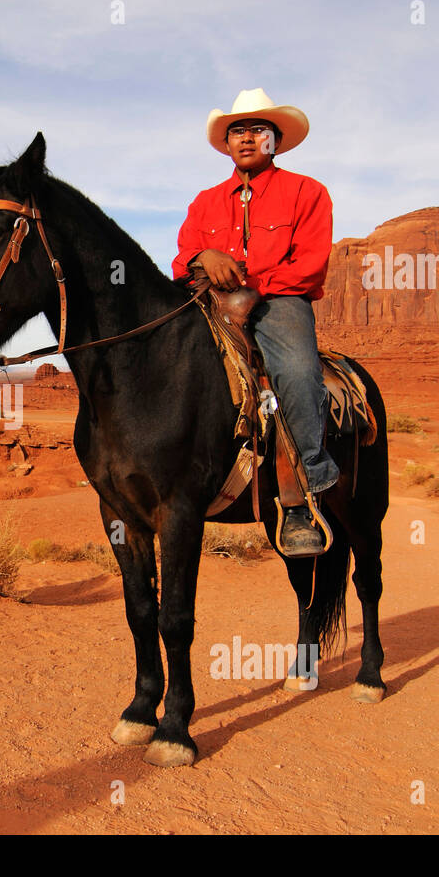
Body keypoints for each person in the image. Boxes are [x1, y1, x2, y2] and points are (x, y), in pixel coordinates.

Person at [171, 88, 339, 556]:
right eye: (236, 131)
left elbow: (309, 264)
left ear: (275, 141)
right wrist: (203, 256)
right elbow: (180, 260)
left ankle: (303, 492)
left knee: (298, 373)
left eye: (256, 130)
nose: (246, 138)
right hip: (209, 301)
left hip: (278, 302)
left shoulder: (307, 191)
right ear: (226, 144)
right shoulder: (204, 202)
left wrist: (253, 286)